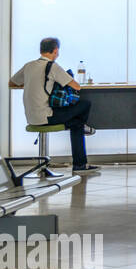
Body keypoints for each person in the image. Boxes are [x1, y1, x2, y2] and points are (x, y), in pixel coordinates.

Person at [8, 37, 98, 173]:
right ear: (55, 50)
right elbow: (77, 87)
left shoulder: (29, 65)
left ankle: (79, 128)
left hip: (32, 118)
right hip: (46, 116)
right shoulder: (52, 66)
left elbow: (12, 83)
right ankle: (80, 164)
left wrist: (33, 84)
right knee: (85, 104)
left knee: (75, 124)